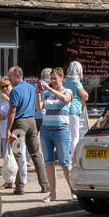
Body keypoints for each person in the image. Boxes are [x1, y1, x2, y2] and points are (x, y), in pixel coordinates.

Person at [4, 65, 49, 197]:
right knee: (36, 154)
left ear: (18, 76)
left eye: (10, 76)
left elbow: (12, 111)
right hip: (32, 122)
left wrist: (8, 130)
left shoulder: (15, 91)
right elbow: (37, 108)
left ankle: (19, 187)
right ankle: (45, 185)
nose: (9, 79)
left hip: (19, 124)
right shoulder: (31, 87)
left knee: (18, 154)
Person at [38, 66, 75, 202]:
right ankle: (52, 194)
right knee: (48, 163)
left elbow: (65, 99)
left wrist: (49, 89)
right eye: (51, 79)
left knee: (65, 163)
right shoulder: (46, 93)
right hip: (46, 130)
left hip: (61, 130)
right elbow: (38, 107)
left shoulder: (68, 91)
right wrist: (38, 93)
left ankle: (74, 192)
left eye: (55, 78)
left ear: (62, 78)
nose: (52, 81)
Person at [65, 60, 90, 153]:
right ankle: (74, 157)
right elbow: (85, 96)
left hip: (64, 110)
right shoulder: (76, 82)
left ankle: (65, 155)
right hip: (74, 111)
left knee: (67, 135)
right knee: (75, 135)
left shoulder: (64, 81)